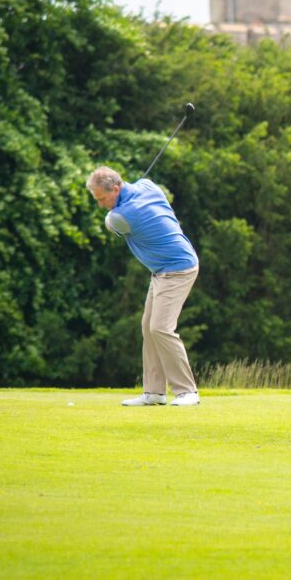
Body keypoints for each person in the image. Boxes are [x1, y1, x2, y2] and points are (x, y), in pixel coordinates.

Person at [86, 166, 201, 406]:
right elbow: (139, 187)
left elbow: (109, 223)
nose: (100, 205)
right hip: (162, 270)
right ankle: (155, 392)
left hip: (178, 269)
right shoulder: (148, 186)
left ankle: (187, 391)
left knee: (160, 328)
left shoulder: (120, 217)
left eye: (102, 199)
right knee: (148, 327)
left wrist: (113, 211)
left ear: (115, 189)